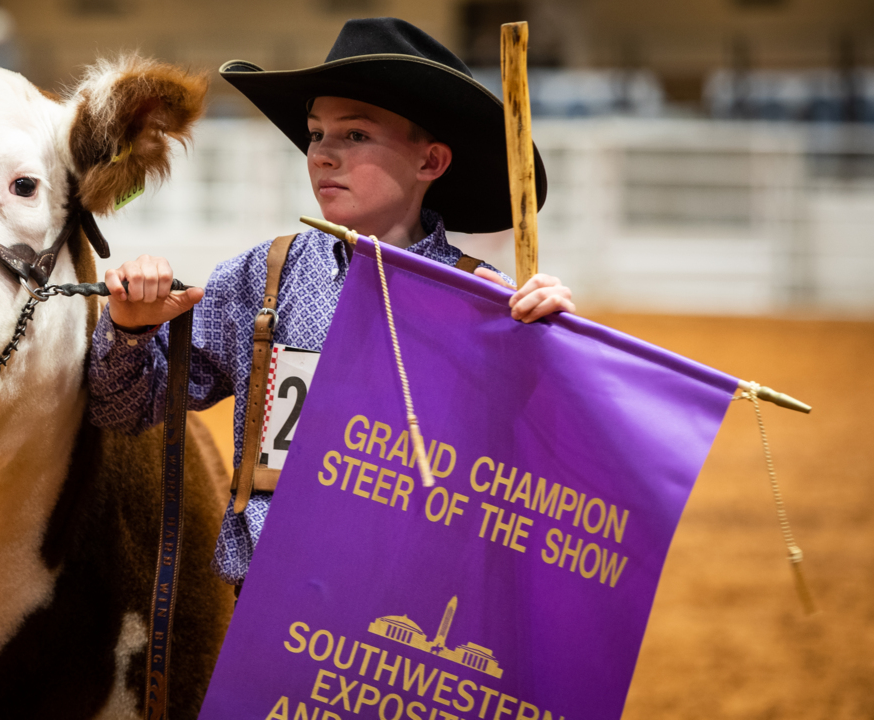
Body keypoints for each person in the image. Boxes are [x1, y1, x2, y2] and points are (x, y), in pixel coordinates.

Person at [87, 17, 575, 590]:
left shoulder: (487, 302)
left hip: (421, 600)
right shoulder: (262, 277)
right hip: (270, 595)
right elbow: (121, 410)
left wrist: (555, 351)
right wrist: (129, 328)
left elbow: (546, 467)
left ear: (430, 163)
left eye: (356, 135)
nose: (321, 155)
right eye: (316, 134)